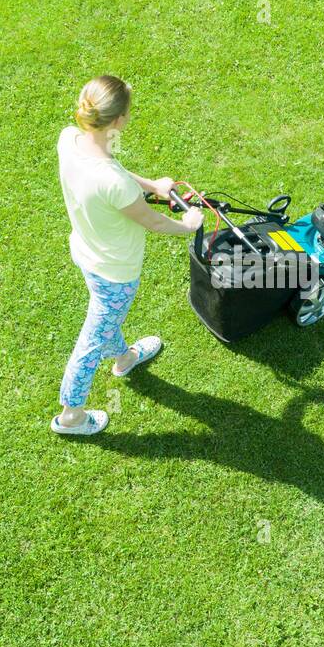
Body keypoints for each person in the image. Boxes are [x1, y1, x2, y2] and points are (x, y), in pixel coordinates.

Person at [53, 75, 202, 435]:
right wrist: (189, 224)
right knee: (90, 342)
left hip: (85, 251)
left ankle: (123, 358)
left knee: (105, 319)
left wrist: (154, 186)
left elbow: (114, 172)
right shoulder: (114, 184)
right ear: (118, 121)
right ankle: (70, 416)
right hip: (114, 272)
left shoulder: (69, 140)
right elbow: (151, 220)